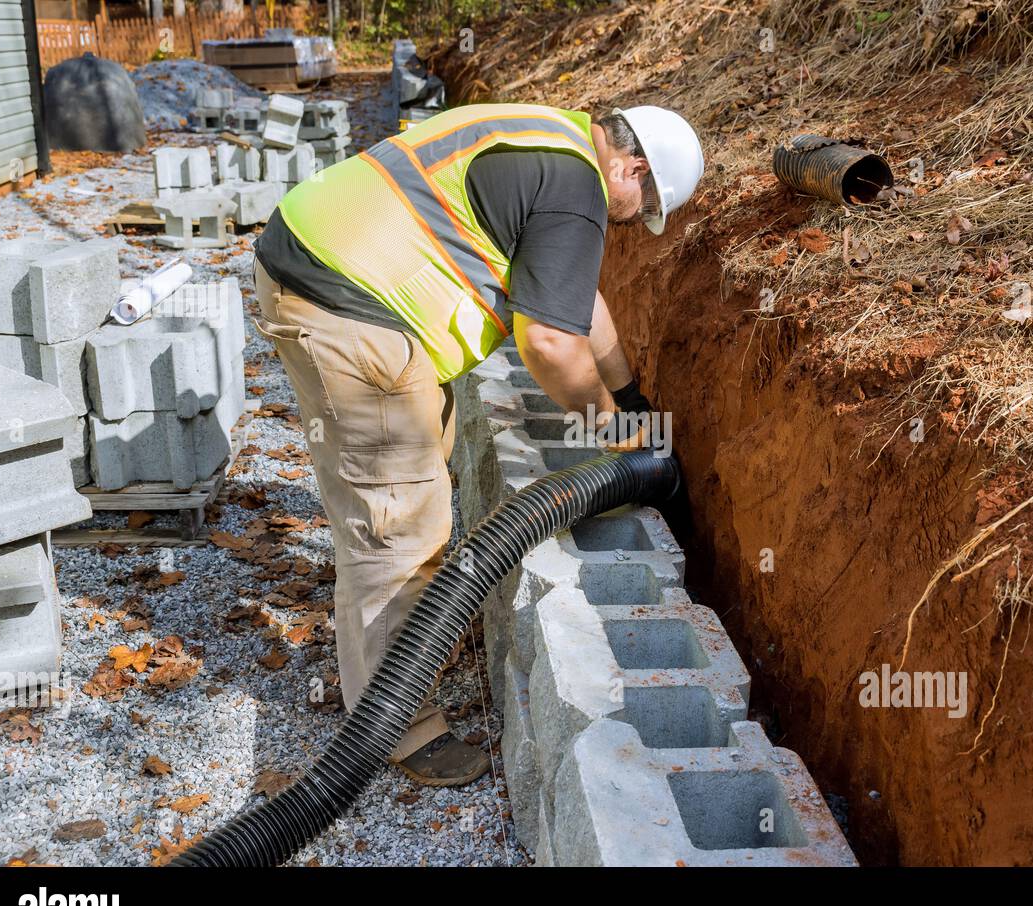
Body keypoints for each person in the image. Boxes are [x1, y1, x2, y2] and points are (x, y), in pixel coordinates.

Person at [251, 102, 704, 785]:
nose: (636, 218)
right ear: (633, 167)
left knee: (418, 459)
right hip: (347, 303)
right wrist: (611, 429)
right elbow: (549, 343)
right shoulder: (578, 186)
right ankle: (396, 726)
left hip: (324, 262)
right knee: (397, 516)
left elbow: (580, 304)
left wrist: (630, 393)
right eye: (644, 204)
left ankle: (395, 645)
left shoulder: (552, 139)